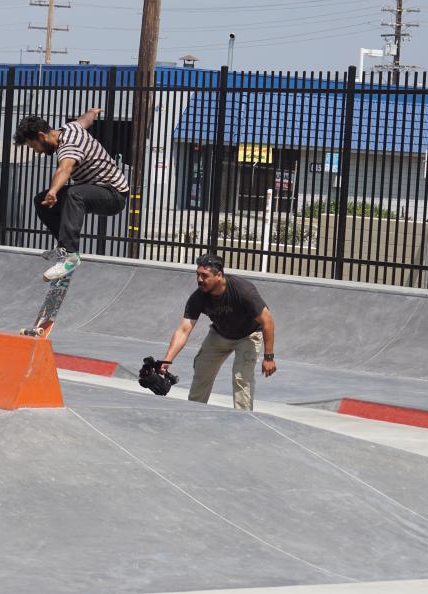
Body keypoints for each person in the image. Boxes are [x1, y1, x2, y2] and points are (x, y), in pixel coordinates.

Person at [14, 109, 130, 281]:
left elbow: (65, 169)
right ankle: (62, 248)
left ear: (41, 136)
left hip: (113, 194)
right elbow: (85, 120)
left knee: (74, 195)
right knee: (41, 201)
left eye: (34, 146)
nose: (36, 151)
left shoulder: (69, 146)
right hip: (95, 189)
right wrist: (92, 112)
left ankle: (70, 257)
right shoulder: (70, 128)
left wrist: (53, 191)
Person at [158, 254, 277, 411]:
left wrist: (268, 357)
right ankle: (193, 411)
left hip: (248, 335)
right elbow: (183, 330)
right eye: (197, 275)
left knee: (241, 378)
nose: (200, 280)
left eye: (205, 276)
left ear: (219, 275)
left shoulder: (242, 290)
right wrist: (167, 361)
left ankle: (242, 418)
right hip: (220, 335)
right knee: (202, 370)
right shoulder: (199, 297)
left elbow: (267, 321)